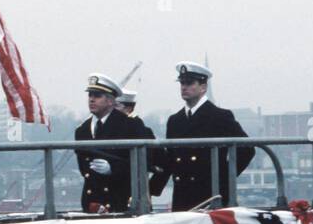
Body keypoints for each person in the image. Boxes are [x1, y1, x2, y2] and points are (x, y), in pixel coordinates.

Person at [148, 62, 254, 211]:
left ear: (203, 87)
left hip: (210, 194)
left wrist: (223, 179)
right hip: (182, 194)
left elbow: (247, 149)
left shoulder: (219, 116)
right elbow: (170, 159)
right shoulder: (175, 120)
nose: (184, 87)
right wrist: (150, 190)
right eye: (182, 83)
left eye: (190, 83)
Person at [74, 73, 144, 213]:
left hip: (119, 200)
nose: (92, 100)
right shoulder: (82, 130)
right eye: (90, 95)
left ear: (111, 101)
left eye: (97, 96)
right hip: (92, 202)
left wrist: (113, 168)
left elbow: (142, 164)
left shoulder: (129, 125)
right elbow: (84, 168)